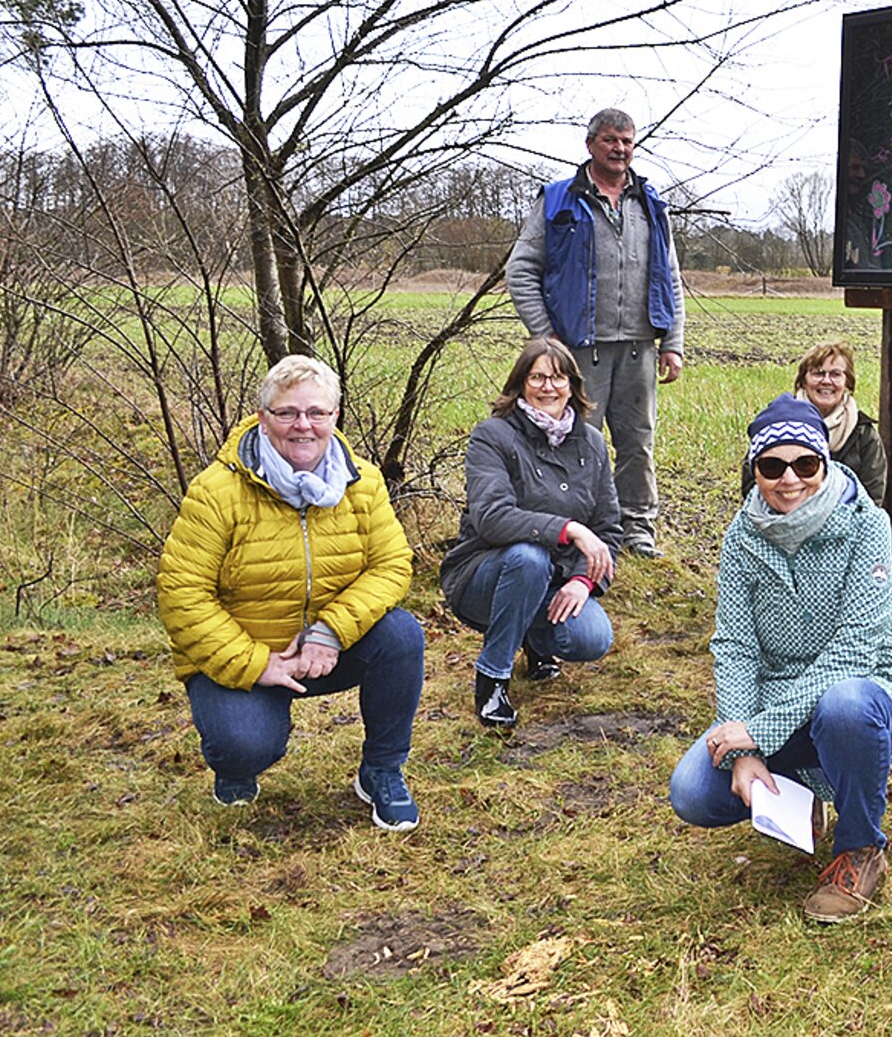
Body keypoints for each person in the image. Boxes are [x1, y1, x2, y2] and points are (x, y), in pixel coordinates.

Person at [669, 394, 892, 924]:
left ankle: (859, 849)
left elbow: (856, 650)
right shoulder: (741, 537)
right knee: (693, 791)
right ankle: (799, 803)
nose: (790, 479)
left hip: (868, 690)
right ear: (756, 470)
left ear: (825, 463)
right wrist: (740, 742)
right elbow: (735, 645)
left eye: (805, 464)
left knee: (844, 707)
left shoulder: (868, 525)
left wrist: (761, 733)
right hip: (776, 699)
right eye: (772, 466)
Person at [154, 356, 424, 831]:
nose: (304, 425)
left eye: (317, 413)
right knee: (247, 745)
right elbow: (182, 592)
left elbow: (393, 564)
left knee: (401, 635)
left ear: (334, 417)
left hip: (325, 650)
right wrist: (256, 663)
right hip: (244, 655)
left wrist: (331, 631)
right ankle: (235, 765)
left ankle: (382, 770)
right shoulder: (217, 491)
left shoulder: (363, 483)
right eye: (287, 413)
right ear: (263, 418)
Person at [507, 107, 686, 558]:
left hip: (639, 350)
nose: (619, 149)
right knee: (571, 443)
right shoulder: (557, 199)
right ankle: (574, 531)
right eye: (610, 140)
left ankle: (637, 530)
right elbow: (521, 270)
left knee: (637, 444)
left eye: (627, 141)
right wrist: (547, 340)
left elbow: (670, 274)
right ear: (590, 145)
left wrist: (673, 342)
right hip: (577, 352)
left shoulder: (650, 201)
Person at [439, 337, 621, 729]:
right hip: (484, 574)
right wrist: (570, 529)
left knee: (592, 638)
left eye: (558, 377)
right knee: (528, 558)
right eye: (537, 377)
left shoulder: (591, 443)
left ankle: (536, 642)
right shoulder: (493, 436)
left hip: (556, 581)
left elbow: (608, 529)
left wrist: (581, 583)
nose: (548, 387)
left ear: (572, 385)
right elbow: (491, 516)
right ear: (521, 383)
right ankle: (492, 678)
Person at [737, 341, 889, 505]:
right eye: (818, 373)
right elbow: (751, 484)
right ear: (803, 381)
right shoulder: (778, 424)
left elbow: (871, 498)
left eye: (836, 374)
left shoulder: (863, 434)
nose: (826, 381)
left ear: (848, 383)